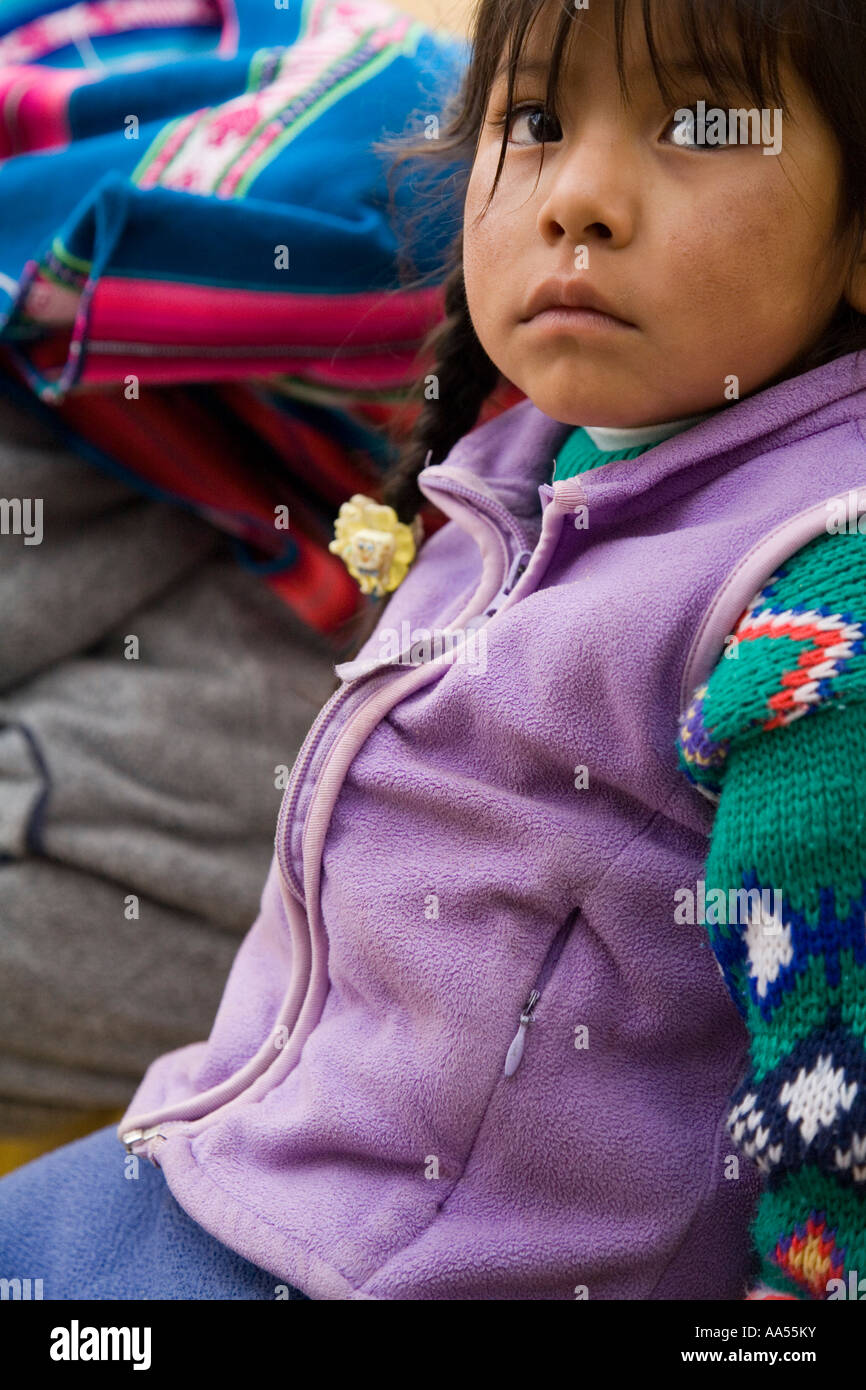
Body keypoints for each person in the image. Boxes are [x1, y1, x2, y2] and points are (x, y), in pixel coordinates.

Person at [2, 0, 866, 1301]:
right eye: (532, 121)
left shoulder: (813, 588)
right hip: (218, 1169)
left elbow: (841, 1136)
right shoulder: (519, 460)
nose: (578, 196)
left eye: (699, 122)